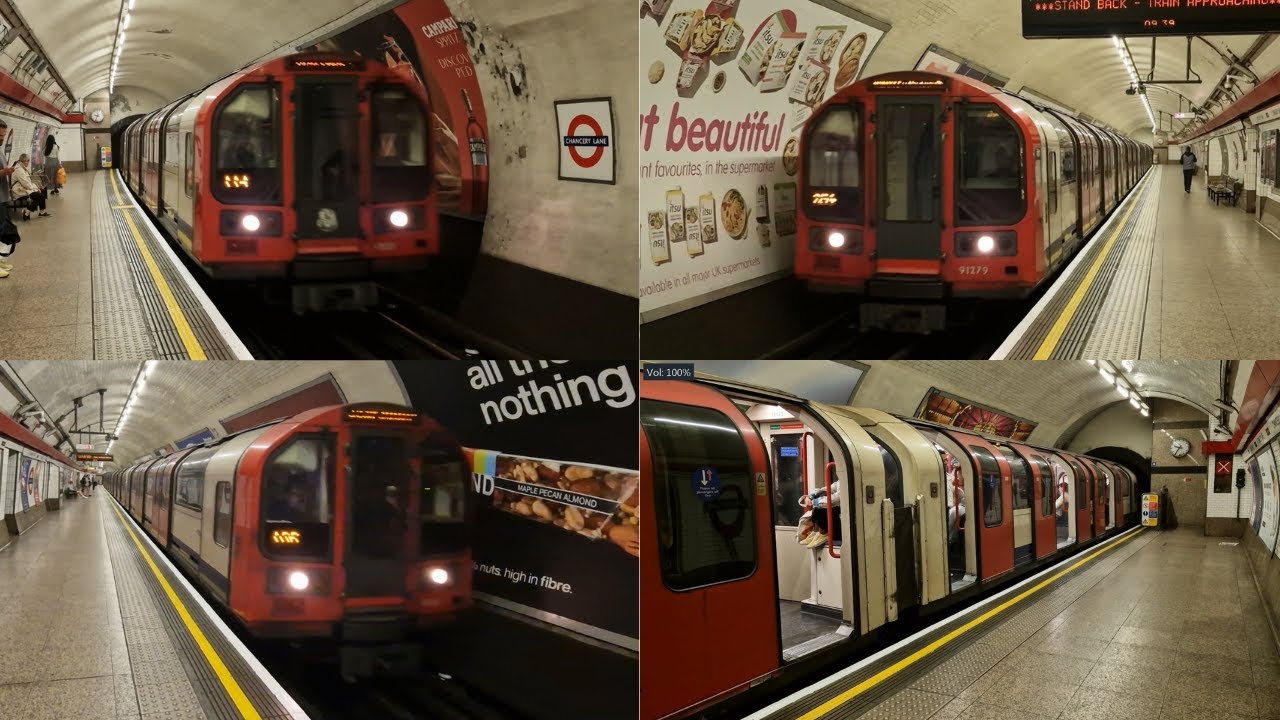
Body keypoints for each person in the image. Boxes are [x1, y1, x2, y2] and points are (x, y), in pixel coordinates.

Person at [799, 475, 841, 548]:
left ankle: (823, 532)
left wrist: (814, 502)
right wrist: (810, 497)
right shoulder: (841, 481)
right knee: (821, 495)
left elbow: (836, 499)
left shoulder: (850, 480)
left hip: (844, 522)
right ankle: (816, 531)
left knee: (823, 503)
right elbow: (826, 489)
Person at [0, 119, 18, 279]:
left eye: (3, 135)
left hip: (2, 197)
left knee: (2, 230)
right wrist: (3, 172)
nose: (2, 139)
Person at [12, 155, 50, 220]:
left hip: (23, 188)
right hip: (18, 191)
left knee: (42, 191)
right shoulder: (19, 170)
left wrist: (36, 188)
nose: (28, 163)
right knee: (40, 196)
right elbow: (26, 184)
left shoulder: (21, 167)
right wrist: (35, 189)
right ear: (23, 161)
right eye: (28, 161)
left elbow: (27, 182)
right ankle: (27, 212)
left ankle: (42, 212)